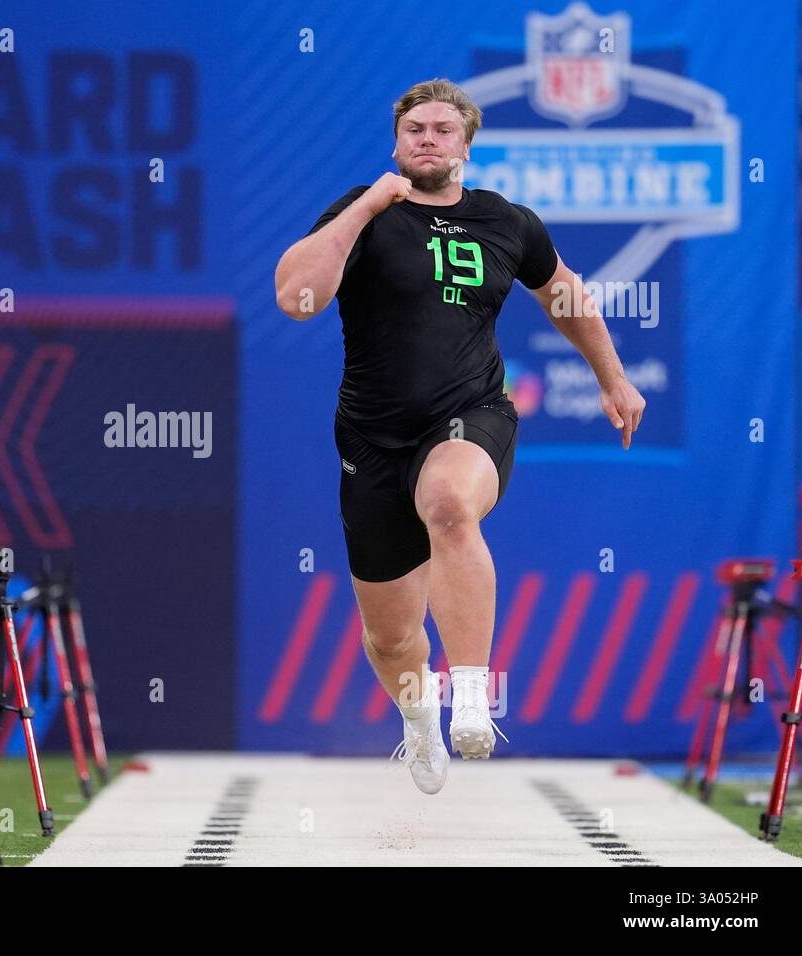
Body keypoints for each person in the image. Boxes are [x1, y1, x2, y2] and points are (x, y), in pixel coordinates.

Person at [273, 78, 646, 794]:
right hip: (372, 435)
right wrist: (365, 208)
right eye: (415, 128)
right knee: (390, 636)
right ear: (396, 141)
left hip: (472, 411)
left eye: (443, 129)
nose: (428, 138)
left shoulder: (508, 222)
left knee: (448, 503)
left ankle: (473, 694)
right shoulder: (365, 212)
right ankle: (421, 720)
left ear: (466, 145)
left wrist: (614, 377)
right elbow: (297, 299)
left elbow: (564, 295)